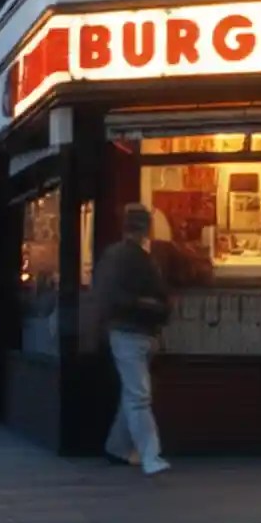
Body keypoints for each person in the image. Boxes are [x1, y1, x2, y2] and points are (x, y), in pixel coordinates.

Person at [97, 203, 173, 476]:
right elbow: (156, 298)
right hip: (135, 332)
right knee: (138, 396)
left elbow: (108, 297)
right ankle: (151, 456)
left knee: (132, 393)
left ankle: (117, 448)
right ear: (146, 228)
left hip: (128, 332)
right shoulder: (143, 258)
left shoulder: (115, 256)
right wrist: (151, 305)